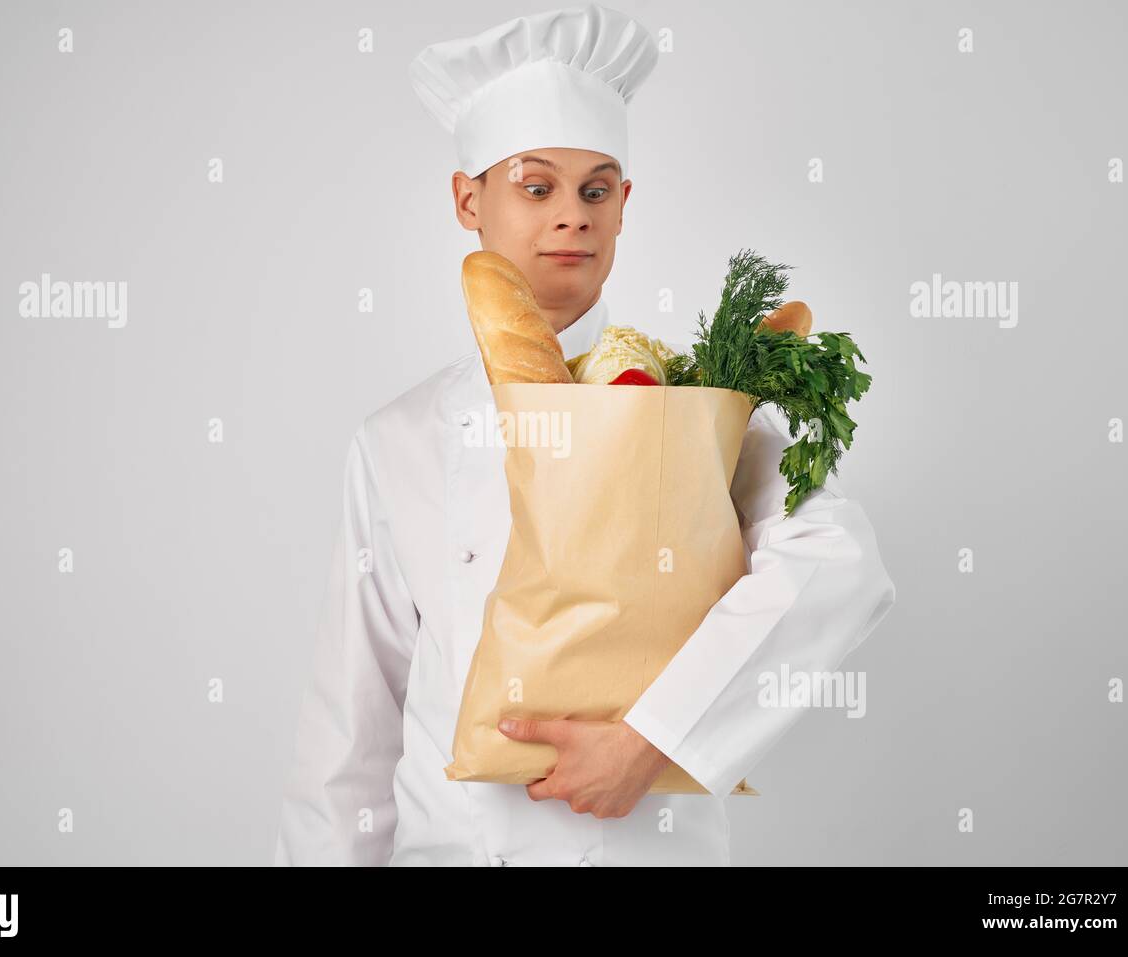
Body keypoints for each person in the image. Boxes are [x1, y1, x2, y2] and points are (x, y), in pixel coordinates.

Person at [274, 3, 896, 867]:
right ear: (467, 199)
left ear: (624, 204)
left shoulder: (699, 406)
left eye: (596, 189)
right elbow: (350, 736)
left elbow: (839, 564)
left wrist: (654, 739)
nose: (572, 215)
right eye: (537, 186)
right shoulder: (398, 439)